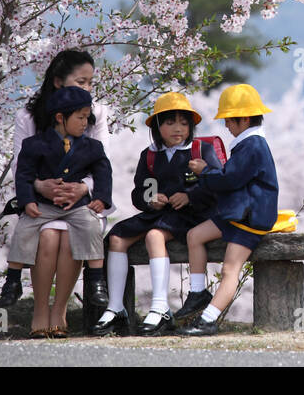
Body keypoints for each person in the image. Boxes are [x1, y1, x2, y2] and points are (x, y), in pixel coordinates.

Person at [92, 92, 221, 337]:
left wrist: (190, 196)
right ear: (157, 126)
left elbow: (217, 186)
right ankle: (116, 307)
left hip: (192, 215)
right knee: (117, 237)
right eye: (170, 122)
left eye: (184, 123)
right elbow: (139, 192)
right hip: (160, 215)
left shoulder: (199, 150)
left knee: (153, 236)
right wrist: (150, 201)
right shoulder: (150, 155)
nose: (178, 129)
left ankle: (160, 307)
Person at [0, 49, 113, 310]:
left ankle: (64, 308)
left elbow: (104, 165)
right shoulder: (29, 119)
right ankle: (36, 305)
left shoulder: (94, 114)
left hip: (83, 201)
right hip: (41, 202)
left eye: (90, 82)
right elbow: (22, 166)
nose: (88, 88)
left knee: (79, 229)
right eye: (81, 82)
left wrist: (84, 189)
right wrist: (39, 188)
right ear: (58, 82)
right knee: (48, 235)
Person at [173, 84, 278, 335]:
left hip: (249, 218)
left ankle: (208, 319)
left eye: (229, 121)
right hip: (235, 212)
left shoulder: (253, 145)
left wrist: (204, 171)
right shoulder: (248, 144)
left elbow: (230, 180)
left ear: (243, 119)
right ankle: (198, 293)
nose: (227, 127)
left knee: (231, 268)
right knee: (194, 236)